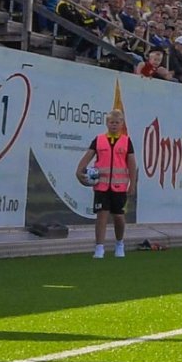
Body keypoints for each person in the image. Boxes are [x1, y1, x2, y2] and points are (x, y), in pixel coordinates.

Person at [74, 109, 138, 258]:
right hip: (101, 186)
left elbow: (131, 164)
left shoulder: (126, 141)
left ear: (122, 124)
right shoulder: (99, 140)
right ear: (107, 123)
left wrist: (132, 184)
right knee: (101, 216)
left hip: (119, 187)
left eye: (117, 122)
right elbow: (87, 157)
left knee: (118, 217)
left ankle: (119, 243)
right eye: (111, 122)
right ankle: (99, 247)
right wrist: (79, 171)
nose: (114, 125)